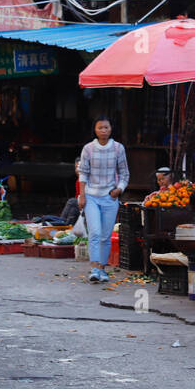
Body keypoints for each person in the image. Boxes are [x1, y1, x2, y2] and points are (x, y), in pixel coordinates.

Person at [78, 117, 129, 283]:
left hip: (109, 197)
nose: (103, 130)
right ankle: (94, 268)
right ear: (95, 130)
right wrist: (82, 195)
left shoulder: (118, 148)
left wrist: (119, 190)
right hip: (91, 196)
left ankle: (102, 269)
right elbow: (83, 173)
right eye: (100, 127)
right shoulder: (88, 149)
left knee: (106, 236)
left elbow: (124, 173)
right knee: (95, 233)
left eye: (106, 127)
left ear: (111, 129)